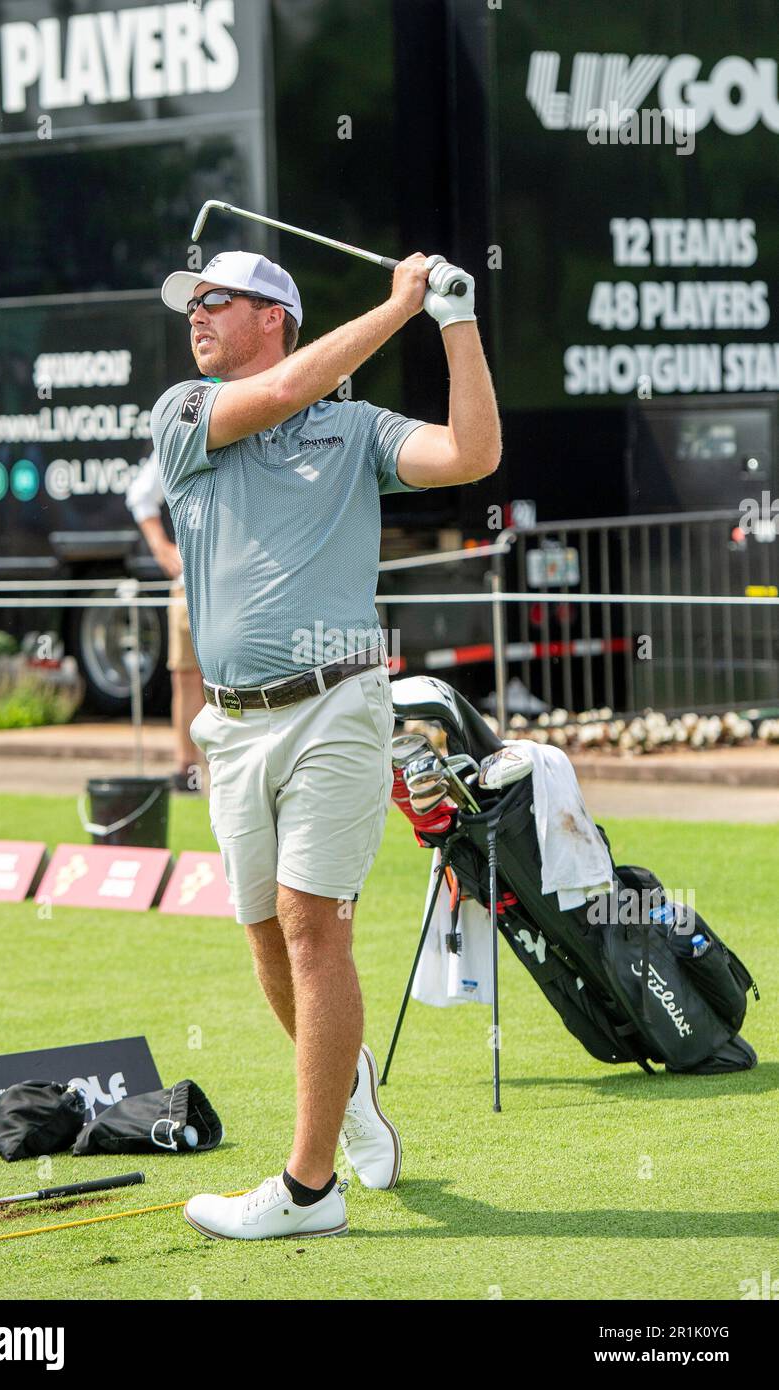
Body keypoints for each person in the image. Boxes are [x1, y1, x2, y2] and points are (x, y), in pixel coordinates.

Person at [150, 247, 501, 1241]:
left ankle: (309, 1189)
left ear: (274, 315)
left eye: (215, 301)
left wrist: (451, 321)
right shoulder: (182, 413)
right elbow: (285, 388)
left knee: (311, 926)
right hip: (231, 723)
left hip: (337, 704)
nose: (195, 316)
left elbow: (470, 455)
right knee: (265, 934)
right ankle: (344, 1087)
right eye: (191, 304)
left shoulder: (354, 429)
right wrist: (393, 308)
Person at [126, 457, 206, 792]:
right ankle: (186, 773)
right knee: (186, 676)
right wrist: (160, 547)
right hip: (189, 584)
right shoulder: (185, 433)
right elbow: (140, 494)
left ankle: (233, 771)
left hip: (242, 582)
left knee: (234, 675)